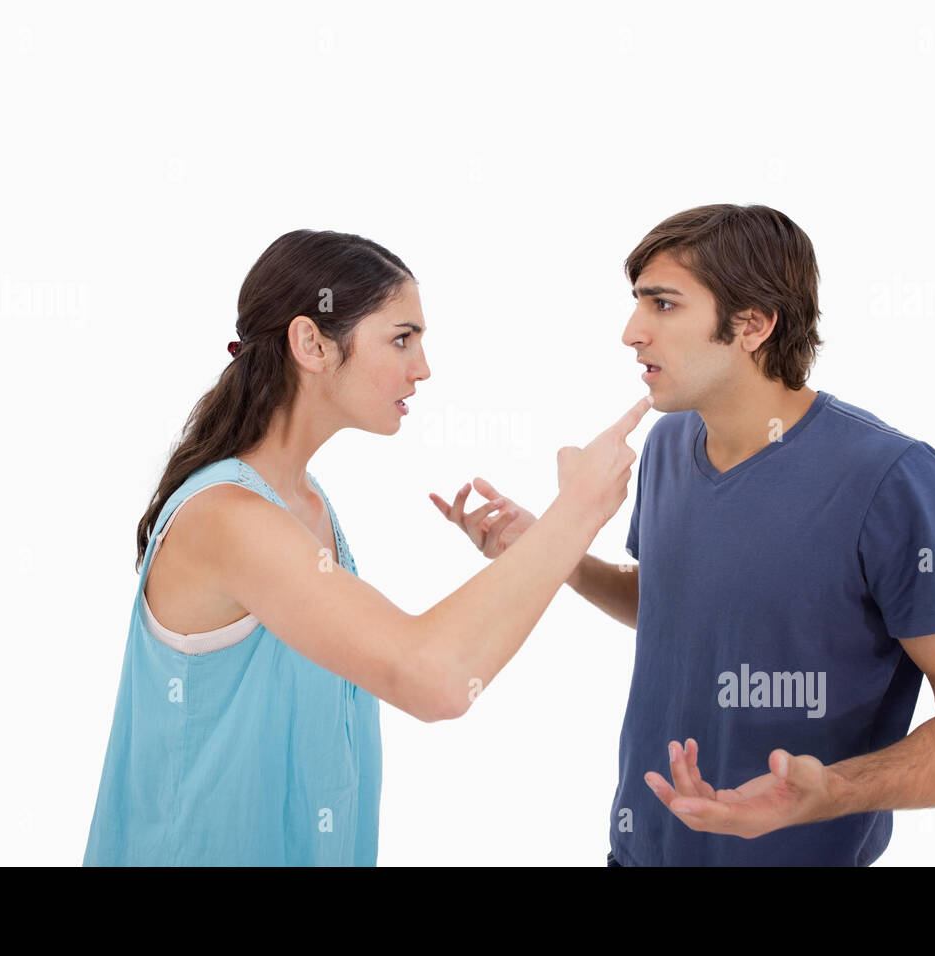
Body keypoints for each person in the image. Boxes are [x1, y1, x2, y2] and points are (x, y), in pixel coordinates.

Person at [431, 204, 935, 866]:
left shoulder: (891, 479)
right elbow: (675, 607)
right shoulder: (665, 445)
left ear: (753, 324)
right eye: (637, 303)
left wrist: (830, 791)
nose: (632, 332)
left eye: (663, 305)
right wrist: (558, 552)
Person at [81, 228, 652, 866]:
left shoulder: (306, 502)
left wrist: (540, 553)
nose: (423, 366)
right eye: (402, 338)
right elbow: (433, 678)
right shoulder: (227, 517)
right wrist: (577, 511)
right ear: (311, 344)